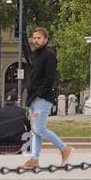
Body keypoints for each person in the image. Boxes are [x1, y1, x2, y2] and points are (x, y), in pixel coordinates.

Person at [20, 27, 72, 169]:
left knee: (40, 128)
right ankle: (34, 159)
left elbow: (50, 78)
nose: (35, 40)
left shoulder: (49, 55)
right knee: (35, 130)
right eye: (34, 38)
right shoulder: (37, 55)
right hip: (34, 98)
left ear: (46, 40)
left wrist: (39, 93)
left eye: (39, 38)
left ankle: (64, 148)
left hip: (42, 98)